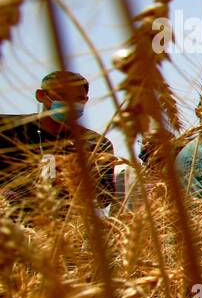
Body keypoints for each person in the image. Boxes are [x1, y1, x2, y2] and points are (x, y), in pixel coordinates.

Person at [0, 69, 116, 216]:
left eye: (79, 98)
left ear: (86, 100)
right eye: (63, 95)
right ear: (41, 95)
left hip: (67, 230)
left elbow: (105, 199)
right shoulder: (6, 128)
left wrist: (81, 176)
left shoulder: (96, 143)